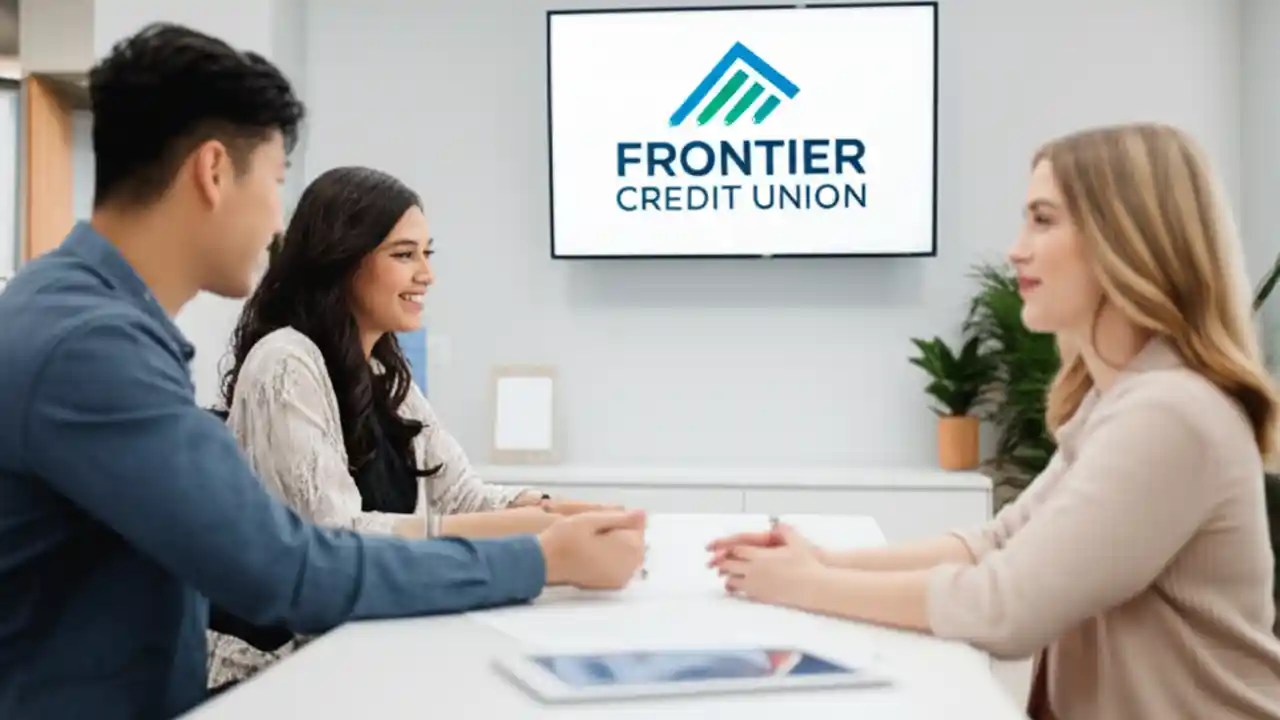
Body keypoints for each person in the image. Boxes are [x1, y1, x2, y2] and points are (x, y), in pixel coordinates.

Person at [0, 23, 644, 720]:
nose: (279, 218)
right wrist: (543, 559)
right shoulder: (92, 349)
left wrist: (543, 523)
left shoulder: (85, 320)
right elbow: (290, 569)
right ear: (213, 172)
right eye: (276, 182)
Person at [709, 123, 1280, 719]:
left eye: (1043, 219)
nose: (1017, 249)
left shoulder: (1170, 414)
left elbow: (1007, 606)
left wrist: (806, 585)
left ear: (1125, 239)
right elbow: (1000, 544)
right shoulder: (1123, 401)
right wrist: (823, 561)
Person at [205, 165, 619, 685]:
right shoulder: (285, 361)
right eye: (404, 255)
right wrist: (535, 536)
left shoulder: (380, 369)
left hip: (366, 645)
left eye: (427, 254)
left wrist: (561, 511)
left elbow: (462, 496)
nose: (427, 274)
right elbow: (337, 540)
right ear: (342, 261)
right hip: (285, 671)